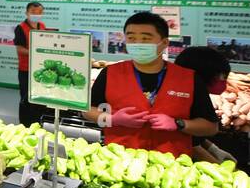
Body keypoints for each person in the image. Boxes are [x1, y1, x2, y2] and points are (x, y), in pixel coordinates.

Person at [91, 12, 218, 155]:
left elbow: (211, 127)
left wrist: (179, 124)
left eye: (145, 38)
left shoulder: (189, 78)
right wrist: (112, 119)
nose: (137, 43)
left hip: (172, 165)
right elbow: (89, 111)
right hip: (120, 161)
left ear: (164, 43)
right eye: (131, 38)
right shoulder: (110, 73)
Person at [174, 46, 237, 165]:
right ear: (204, 75)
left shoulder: (195, 91)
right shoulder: (181, 97)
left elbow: (193, 135)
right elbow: (186, 142)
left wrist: (212, 148)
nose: (223, 81)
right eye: (222, 76)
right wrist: (220, 170)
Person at [14, 1, 48, 127]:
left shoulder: (42, 26)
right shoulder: (21, 28)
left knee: (39, 97)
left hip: (40, 70)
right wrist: (36, 52)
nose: (36, 15)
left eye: (39, 12)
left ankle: (37, 122)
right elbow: (20, 49)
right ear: (27, 13)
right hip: (26, 70)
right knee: (26, 98)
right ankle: (24, 124)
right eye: (33, 12)